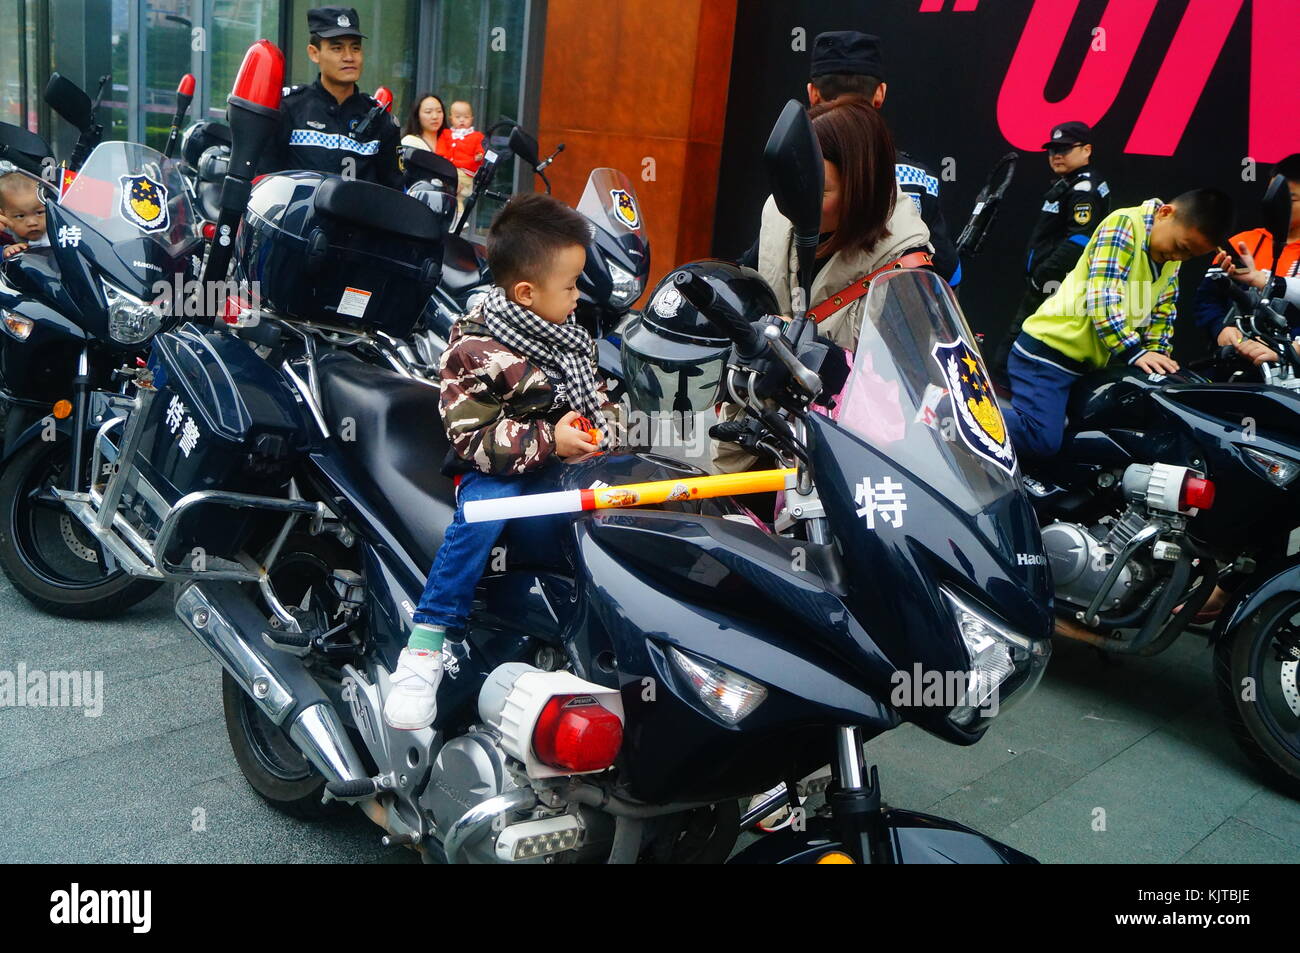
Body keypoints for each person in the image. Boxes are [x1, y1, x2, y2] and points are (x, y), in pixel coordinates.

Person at [383, 193, 623, 729]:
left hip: (562, 461)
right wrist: (549, 439)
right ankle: (423, 649)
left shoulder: (568, 336)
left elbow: (598, 400)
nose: (579, 296)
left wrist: (606, 431)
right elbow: (474, 438)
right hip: (497, 467)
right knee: (481, 517)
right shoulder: (474, 350)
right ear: (525, 292)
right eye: (570, 286)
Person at [714, 96, 933, 473]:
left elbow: (908, 394)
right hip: (753, 431)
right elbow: (743, 284)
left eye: (821, 190)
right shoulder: (783, 211)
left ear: (860, 188)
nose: (794, 204)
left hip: (838, 461)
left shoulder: (906, 268)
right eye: (795, 185)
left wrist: (821, 363)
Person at [1004, 189, 1234, 459]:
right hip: (1047, 355)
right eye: (1182, 247)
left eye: (1191, 256)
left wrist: (1159, 354)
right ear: (1165, 213)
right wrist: (1135, 352)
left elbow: (1163, 309)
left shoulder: (1171, 258)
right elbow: (1102, 299)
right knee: (1040, 439)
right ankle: (955, 410)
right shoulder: (1124, 225)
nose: (1180, 257)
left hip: (1088, 367)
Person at [806, 30, 959, 287]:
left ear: (813, 94)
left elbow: (763, 264)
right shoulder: (920, 180)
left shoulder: (796, 170)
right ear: (880, 93)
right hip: (884, 325)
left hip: (796, 323)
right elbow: (947, 274)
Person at [990, 121, 1110, 387]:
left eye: (1065, 149)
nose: (1057, 155)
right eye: (1053, 149)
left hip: (1054, 286)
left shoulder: (1084, 190)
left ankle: (1004, 412)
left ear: (1087, 150)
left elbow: (1079, 240)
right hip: (1049, 284)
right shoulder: (1069, 183)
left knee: (1012, 352)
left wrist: (1043, 276)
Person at [259, 7, 402, 190]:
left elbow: (394, 193)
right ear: (314, 53)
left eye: (356, 48)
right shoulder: (289, 108)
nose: (349, 57)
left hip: (358, 218)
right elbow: (263, 181)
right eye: (337, 48)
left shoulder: (381, 120)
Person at [1195, 154, 1300, 366]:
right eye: (1274, 197)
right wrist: (1221, 328)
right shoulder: (1241, 245)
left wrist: (1285, 348)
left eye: (1291, 199)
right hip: (1233, 370)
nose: (1280, 206)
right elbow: (1207, 299)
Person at [446, 100, 486, 212]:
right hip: (450, 170)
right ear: (451, 119)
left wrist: (479, 155)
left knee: (457, 196)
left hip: (465, 172)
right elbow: (441, 149)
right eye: (458, 117)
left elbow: (481, 148)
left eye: (466, 117)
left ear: (472, 119)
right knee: (450, 197)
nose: (462, 120)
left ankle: (458, 218)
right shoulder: (447, 134)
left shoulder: (476, 136)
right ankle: (454, 217)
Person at [0, 172, 50, 259]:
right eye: (20, 216)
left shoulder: (59, 229)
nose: (32, 223)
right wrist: (4, 252)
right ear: (4, 216)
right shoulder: (5, 236)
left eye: (39, 212)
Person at [401, 93, 452, 158]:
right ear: (417, 116)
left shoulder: (451, 141)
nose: (435, 116)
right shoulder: (410, 143)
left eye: (439, 111)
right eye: (428, 112)